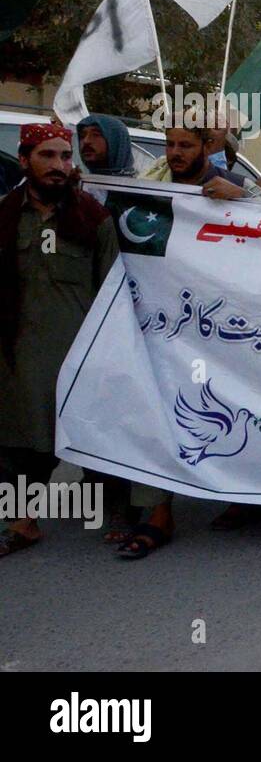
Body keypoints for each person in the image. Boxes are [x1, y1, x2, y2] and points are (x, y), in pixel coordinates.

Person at [0, 124, 119, 557]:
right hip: (16, 353)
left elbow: (109, 291)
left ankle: (119, 508)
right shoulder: (5, 215)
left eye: (65, 157)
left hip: (77, 352)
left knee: (82, 436)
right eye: (48, 156)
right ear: (25, 159)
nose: (59, 166)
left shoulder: (93, 218)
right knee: (16, 444)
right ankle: (22, 522)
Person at [142, 126, 245, 199]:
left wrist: (242, 198)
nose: (175, 152)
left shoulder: (238, 185)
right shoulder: (148, 181)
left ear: (208, 146)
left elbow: (259, 213)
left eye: (185, 145)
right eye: (170, 144)